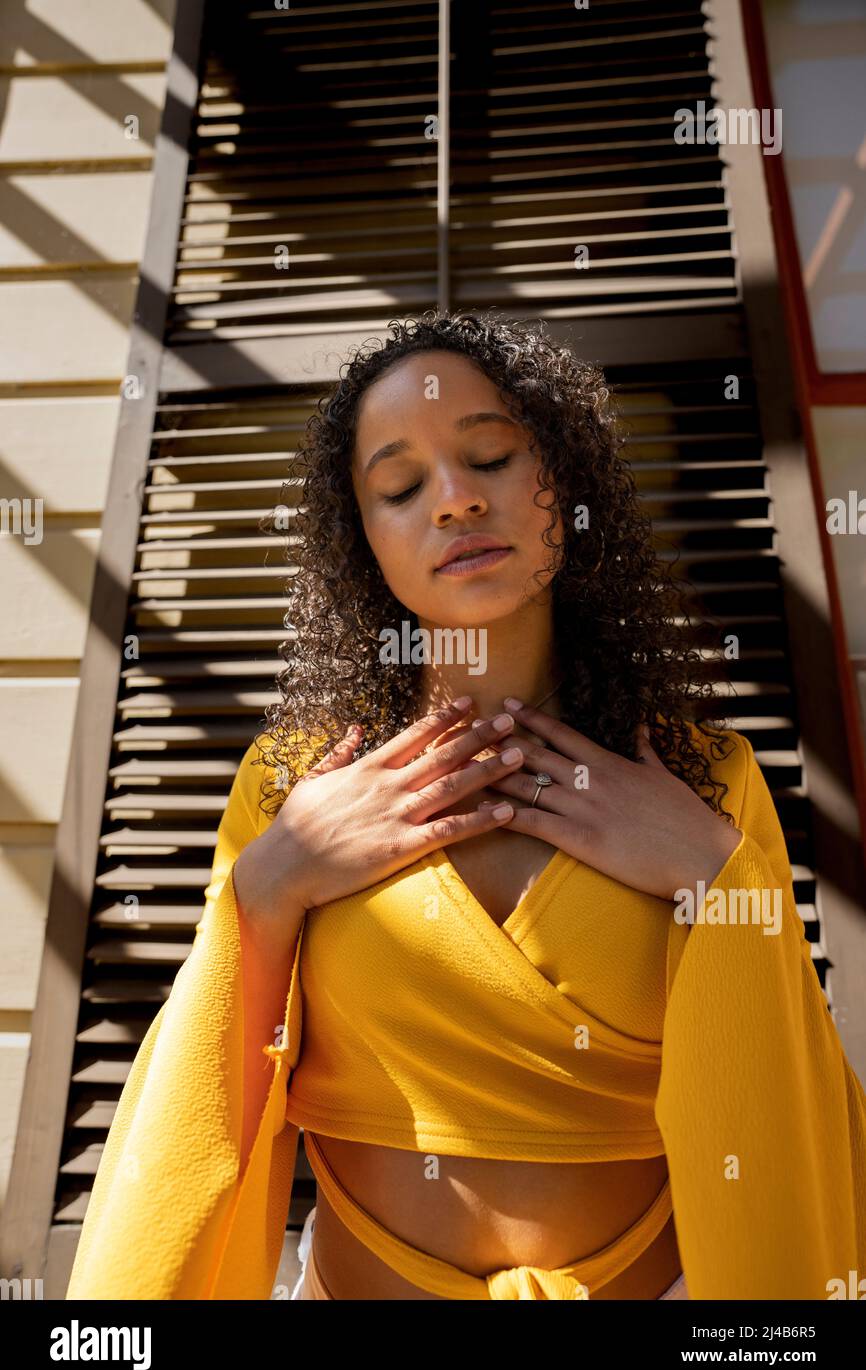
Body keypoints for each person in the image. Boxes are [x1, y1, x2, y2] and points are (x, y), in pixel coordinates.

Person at [66, 311, 866, 1301]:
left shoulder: (702, 776)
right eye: (398, 486)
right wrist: (271, 881)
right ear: (364, 542)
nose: (451, 501)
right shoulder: (290, 785)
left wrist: (714, 869)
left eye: (487, 456)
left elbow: (779, 1091)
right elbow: (209, 1080)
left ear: (560, 490)